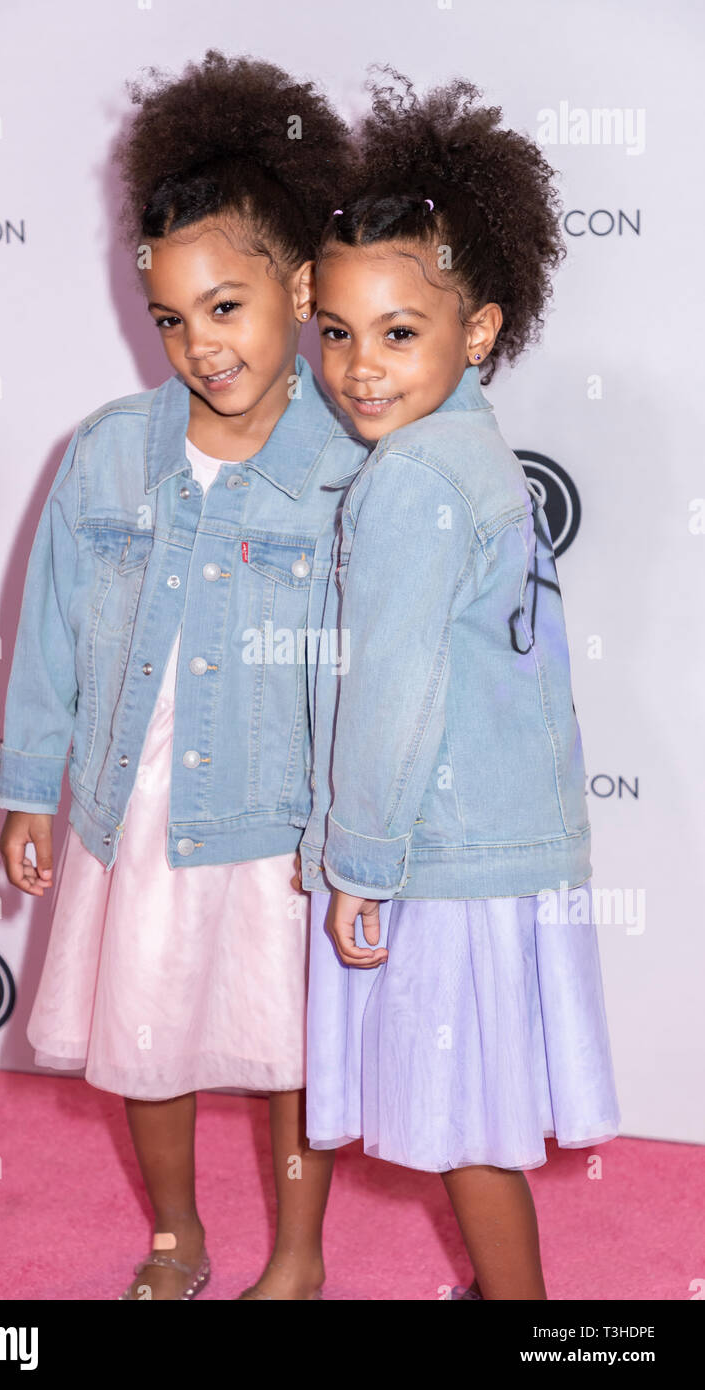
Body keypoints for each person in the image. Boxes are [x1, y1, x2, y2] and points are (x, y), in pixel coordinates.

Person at [0, 50, 367, 1301]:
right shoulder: (103, 457)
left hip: (285, 820)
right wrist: (30, 786)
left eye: (225, 306)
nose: (198, 344)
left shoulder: (353, 472)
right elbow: (49, 634)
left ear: (299, 289)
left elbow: (376, 661)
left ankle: (299, 1255)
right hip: (134, 808)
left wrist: (367, 828)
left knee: (292, 1048)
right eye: (169, 317)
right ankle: (174, 1235)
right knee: (144, 1033)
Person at [299, 71, 621, 1301]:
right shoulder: (477, 450)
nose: (356, 369)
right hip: (503, 840)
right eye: (334, 331)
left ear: (476, 330)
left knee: (468, 1126)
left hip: (432, 850)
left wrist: (357, 864)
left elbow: (391, 690)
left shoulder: (409, 485)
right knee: (478, 1113)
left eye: (397, 333)